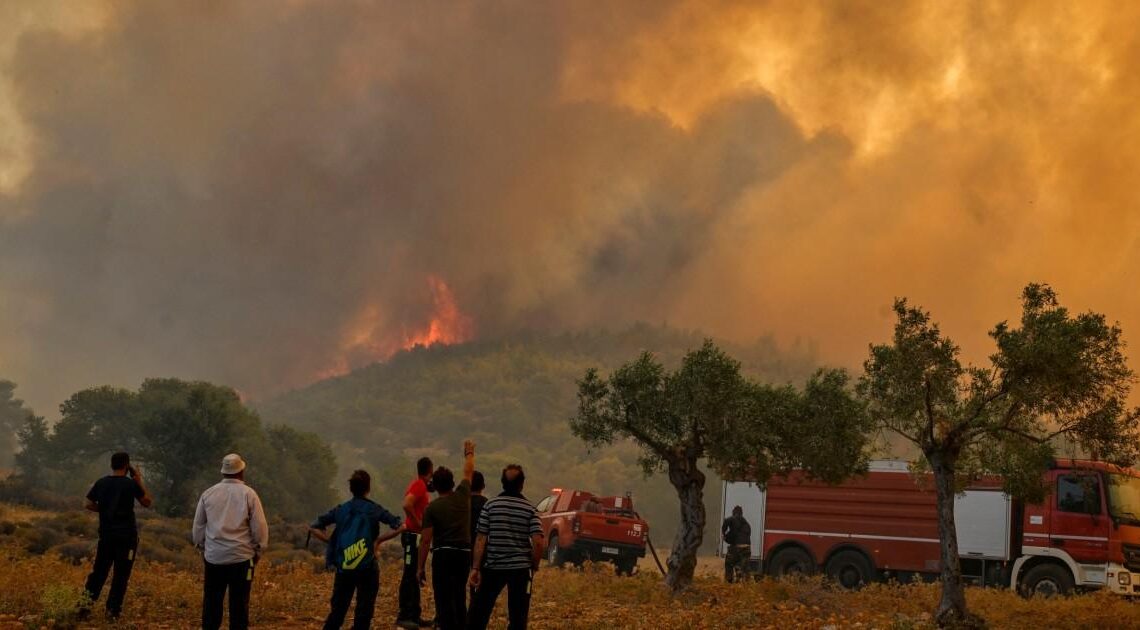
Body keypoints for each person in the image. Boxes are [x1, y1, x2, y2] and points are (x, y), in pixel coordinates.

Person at [310, 470, 403, 630]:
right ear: (368, 488)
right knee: (364, 613)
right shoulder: (374, 509)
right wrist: (378, 540)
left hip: (344, 567)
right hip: (367, 567)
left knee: (337, 612)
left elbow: (314, 527)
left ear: (351, 489)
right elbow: (400, 525)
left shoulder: (342, 509)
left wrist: (333, 541)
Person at [192, 453, 269, 630]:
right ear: (241, 471)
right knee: (239, 606)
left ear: (223, 472)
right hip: (241, 558)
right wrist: (258, 549)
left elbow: (198, 526)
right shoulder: (249, 494)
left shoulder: (208, 493)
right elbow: (259, 526)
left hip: (214, 558)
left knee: (212, 604)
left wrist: (202, 548)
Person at [467, 464, 544, 630]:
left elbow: (481, 539)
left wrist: (475, 568)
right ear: (522, 484)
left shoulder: (491, 505)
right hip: (521, 569)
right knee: (518, 615)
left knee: (479, 612)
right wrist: (534, 564)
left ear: (502, 483)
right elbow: (538, 542)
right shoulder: (530, 509)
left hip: (493, 566)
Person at [82, 451, 153, 619]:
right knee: (121, 575)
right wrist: (139, 481)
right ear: (127, 465)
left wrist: (105, 510)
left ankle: (84, 608)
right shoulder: (130, 484)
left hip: (106, 536)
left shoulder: (101, 483)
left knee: (98, 573)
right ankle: (112, 612)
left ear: (111, 465)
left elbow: (87, 503)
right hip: (127, 538)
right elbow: (147, 502)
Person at [417, 440, 476, 630]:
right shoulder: (463, 495)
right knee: (459, 595)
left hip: (443, 555)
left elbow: (426, 540)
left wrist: (420, 568)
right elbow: (468, 472)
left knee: (442, 597)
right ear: (452, 483)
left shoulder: (432, 508)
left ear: (435, 486)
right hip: (463, 554)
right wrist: (469, 454)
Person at [397, 456, 434, 629]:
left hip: (415, 536)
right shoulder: (419, 485)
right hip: (412, 536)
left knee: (415, 574)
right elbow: (406, 504)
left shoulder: (421, 486)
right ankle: (404, 615)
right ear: (430, 471)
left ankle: (415, 615)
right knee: (409, 575)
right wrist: (418, 524)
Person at [722, 505, 752, 583]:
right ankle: (745, 580)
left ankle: (729, 580)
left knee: (729, 562)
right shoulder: (747, 524)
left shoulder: (733, 519)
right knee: (744, 564)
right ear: (742, 513)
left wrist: (724, 534)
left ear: (734, 513)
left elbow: (727, 522)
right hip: (747, 547)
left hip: (737, 547)